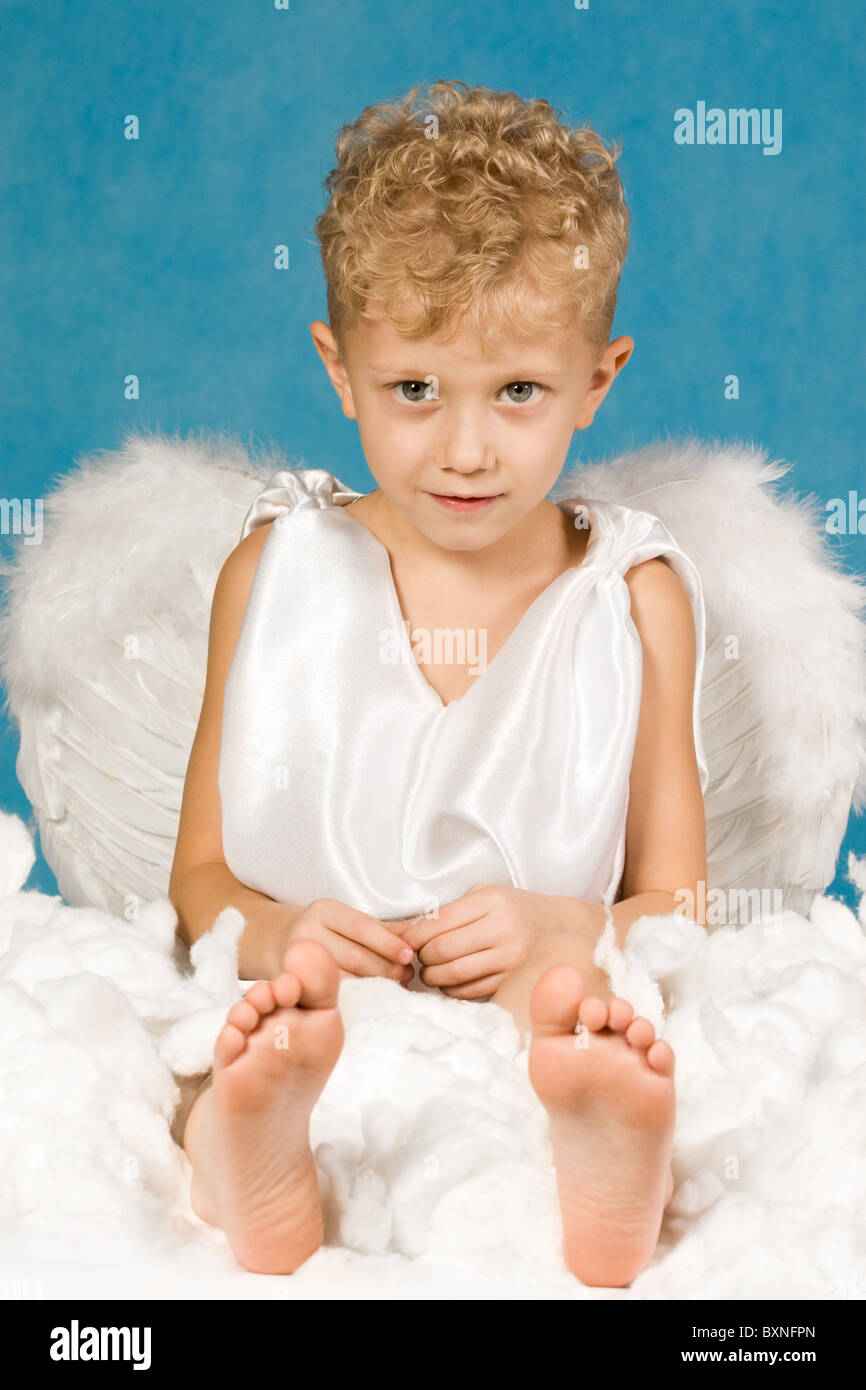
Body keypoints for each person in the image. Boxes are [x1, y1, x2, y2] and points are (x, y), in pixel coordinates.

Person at [168, 79, 708, 1287]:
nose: (465, 449)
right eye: (415, 389)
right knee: (232, 1048)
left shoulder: (632, 595)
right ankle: (251, 1156)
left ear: (598, 378)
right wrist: (279, 930)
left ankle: (604, 1171)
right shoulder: (274, 567)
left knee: (606, 1027)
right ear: (340, 368)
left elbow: (681, 903)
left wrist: (560, 925)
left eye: (517, 390)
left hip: (538, 1007)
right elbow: (196, 878)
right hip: (322, 1006)